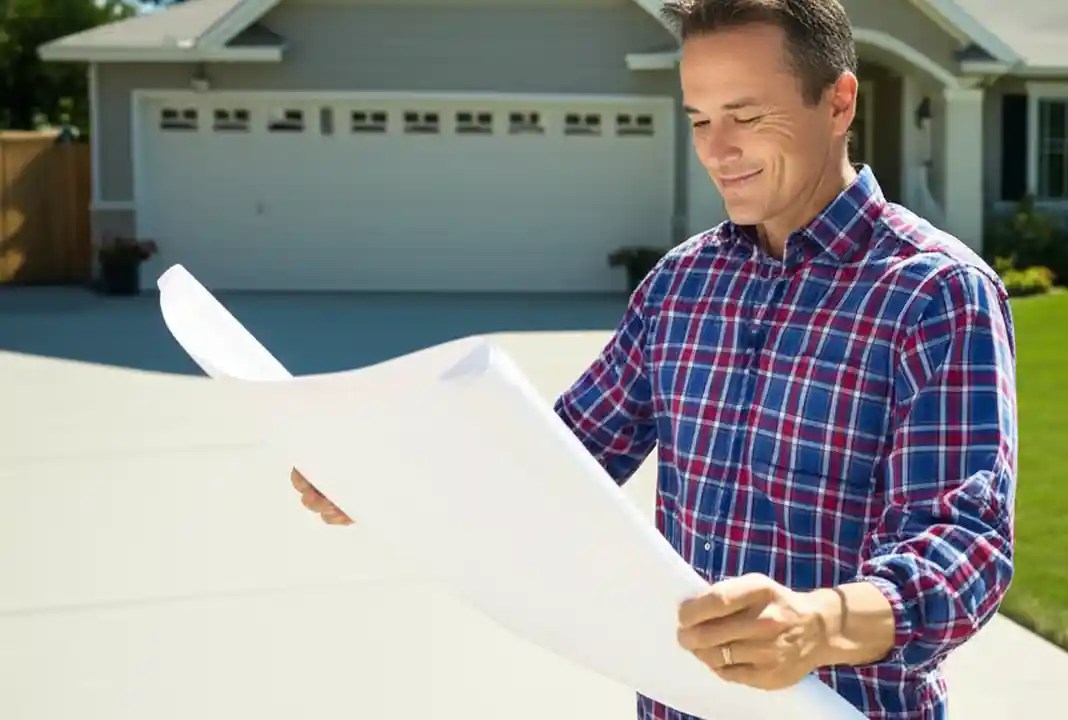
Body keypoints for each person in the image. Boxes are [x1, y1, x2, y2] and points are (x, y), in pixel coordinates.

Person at [290, 0, 1018, 717]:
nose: (716, 149)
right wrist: (383, 480)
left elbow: (968, 544)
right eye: (700, 119)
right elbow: (555, 463)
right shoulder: (680, 286)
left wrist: (818, 624)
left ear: (838, 102)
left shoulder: (936, 294)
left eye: (746, 114)